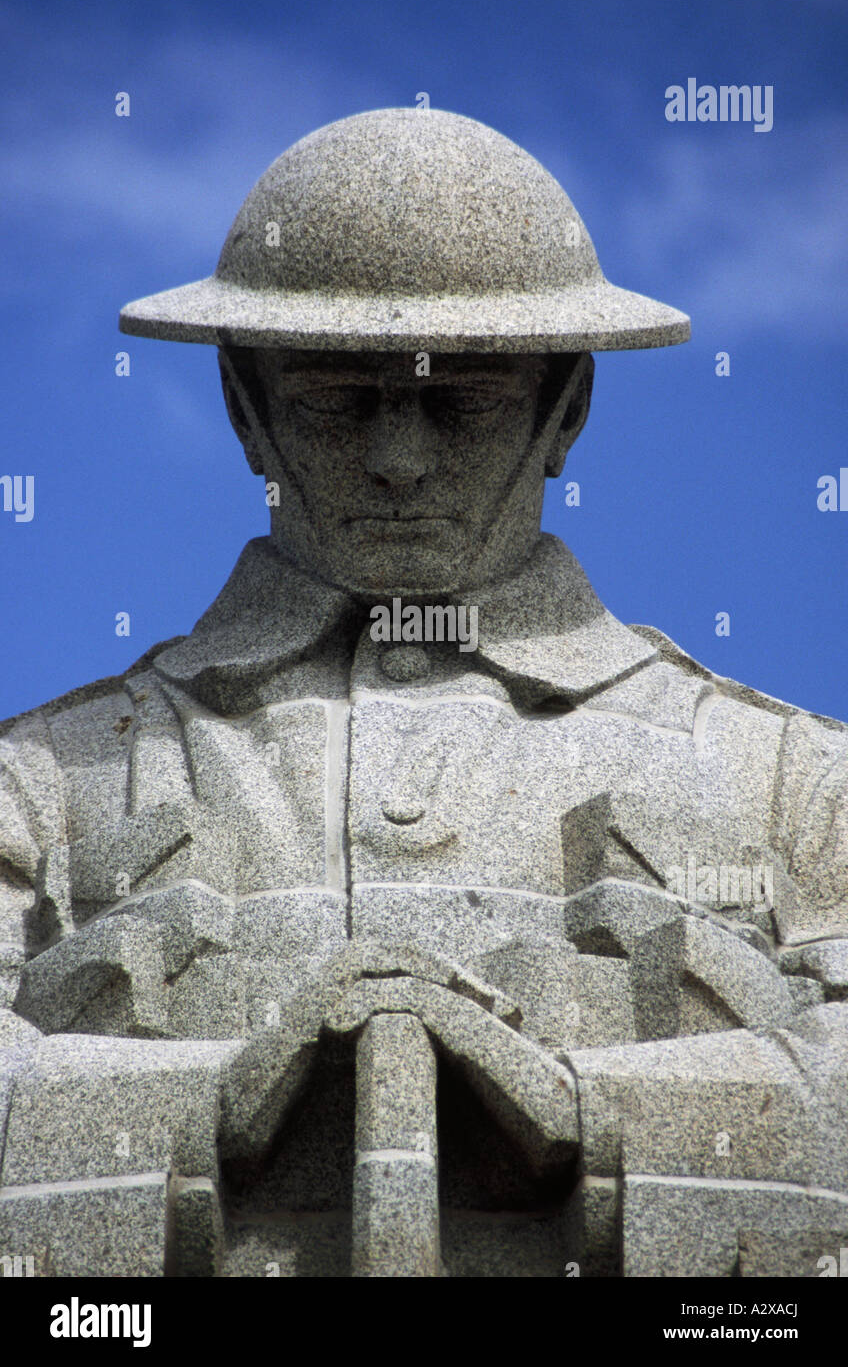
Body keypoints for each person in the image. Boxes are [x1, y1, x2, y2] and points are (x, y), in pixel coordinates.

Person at [1, 109, 846, 1278]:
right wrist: (218, 1094)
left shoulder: (789, 779)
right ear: (246, 408)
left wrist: (583, 1113)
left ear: (566, 409)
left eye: (464, 400)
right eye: (342, 400)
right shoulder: (43, 783)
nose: (400, 459)